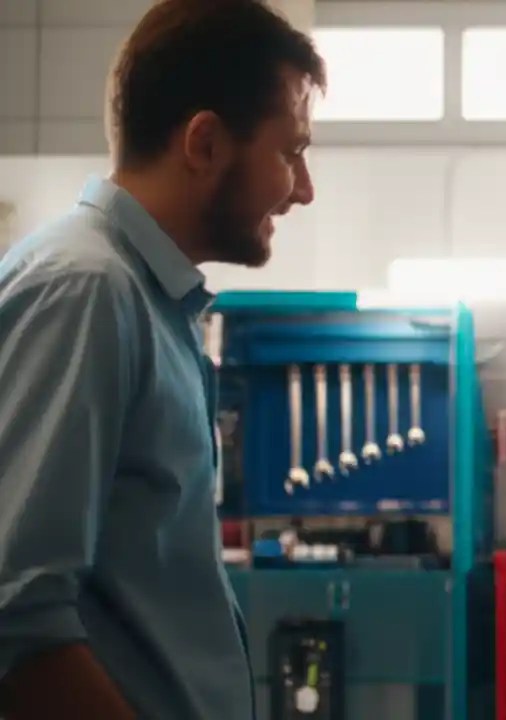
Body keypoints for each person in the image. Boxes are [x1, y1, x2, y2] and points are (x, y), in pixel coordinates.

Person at [0, 2, 323, 718]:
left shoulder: (145, 302)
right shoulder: (85, 291)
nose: (304, 189)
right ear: (204, 143)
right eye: (291, 152)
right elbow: (16, 609)